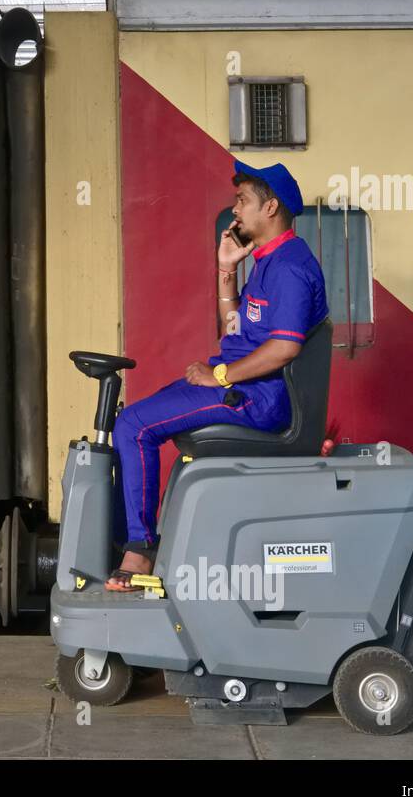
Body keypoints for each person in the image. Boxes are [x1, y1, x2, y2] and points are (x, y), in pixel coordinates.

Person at [106, 160, 329, 591]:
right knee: (137, 418)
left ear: (271, 207)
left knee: (133, 426)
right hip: (243, 388)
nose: (235, 213)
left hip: (258, 400)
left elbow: (285, 348)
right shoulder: (268, 262)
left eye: (242, 202)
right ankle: (134, 541)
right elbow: (236, 329)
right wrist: (226, 270)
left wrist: (221, 375)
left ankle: (138, 554)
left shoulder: (289, 268)